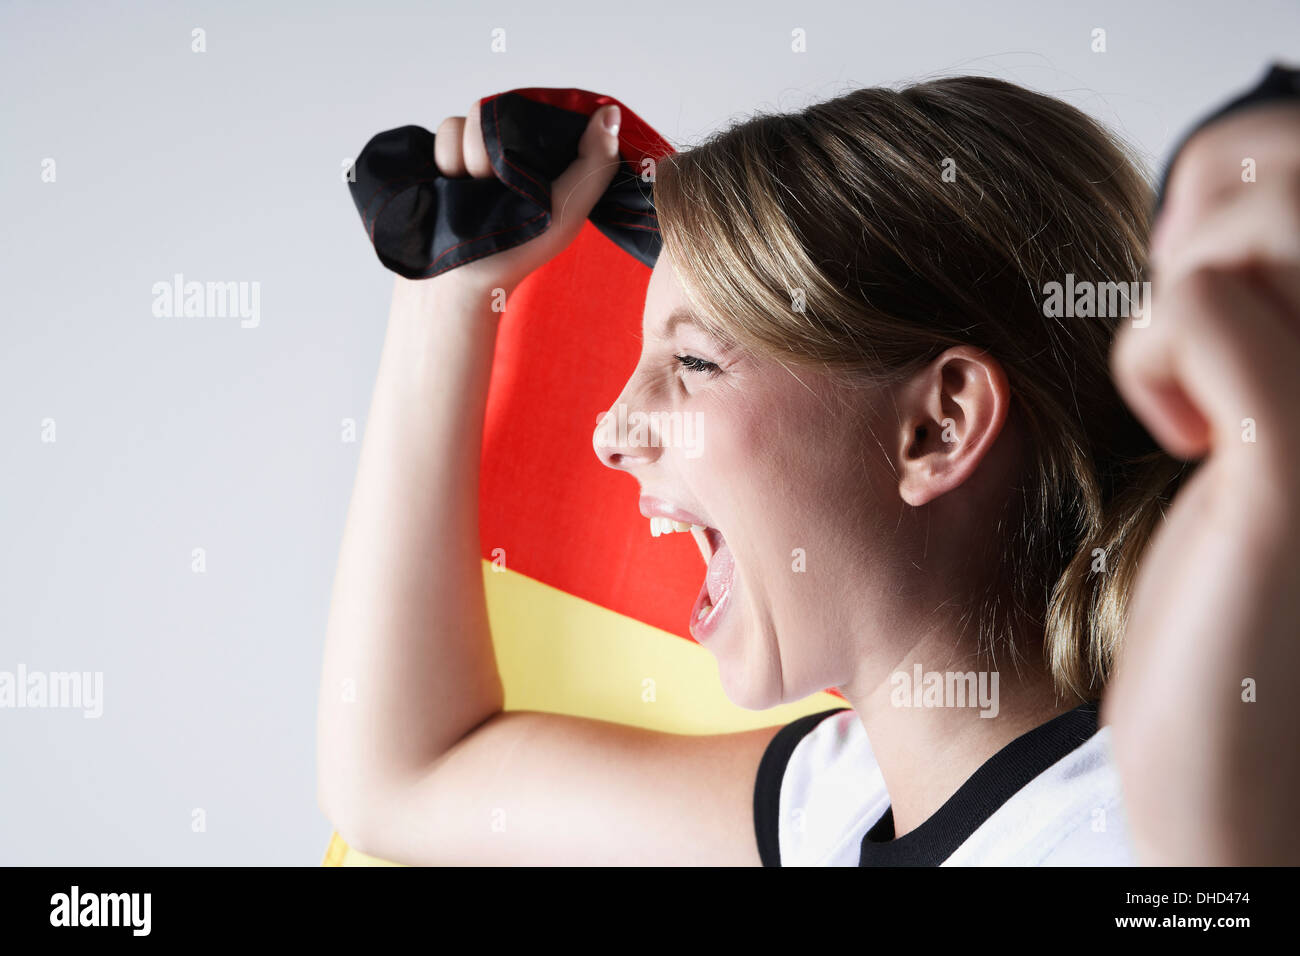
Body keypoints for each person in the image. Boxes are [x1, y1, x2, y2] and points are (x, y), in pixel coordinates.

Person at [317, 65, 1300, 865]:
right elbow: (409, 779)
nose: (610, 430)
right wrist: (446, 293)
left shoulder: (1176, 835)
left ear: (938, 425)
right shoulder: (839, 801)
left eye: (693, 361)